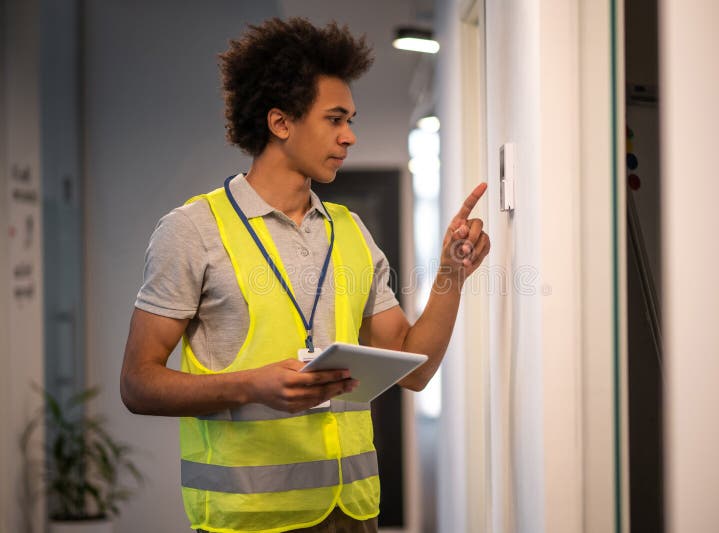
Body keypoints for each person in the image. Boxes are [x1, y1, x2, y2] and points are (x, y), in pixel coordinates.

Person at [120, 17, 490, 533]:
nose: (350, 135)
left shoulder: (351, 231)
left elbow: (418, 369)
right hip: (249, 520)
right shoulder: (192, 230)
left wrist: (452, 272)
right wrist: (252, 386)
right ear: (280, 122)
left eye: (351, 119)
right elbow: (138, 384)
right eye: (335, 119)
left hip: (354, 515)